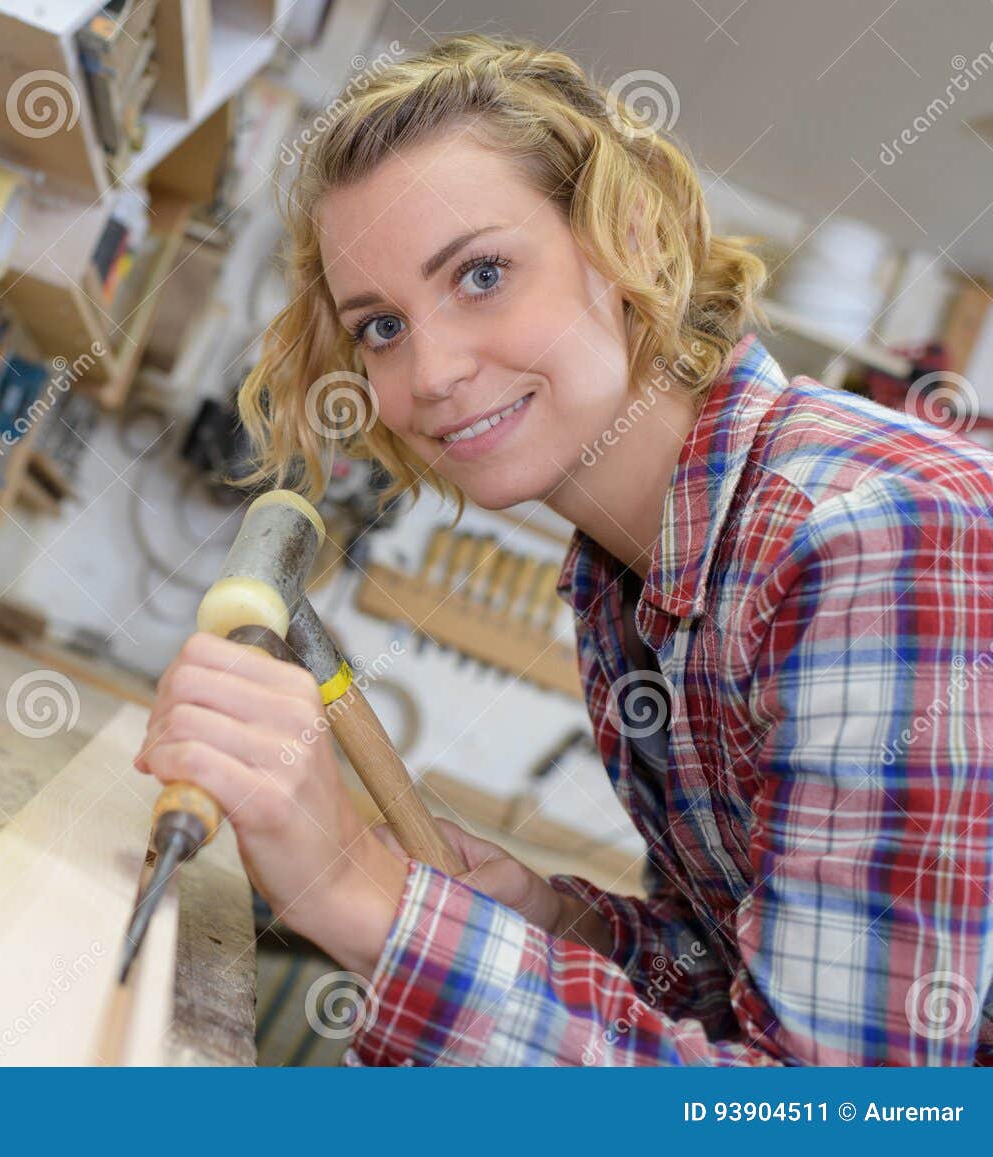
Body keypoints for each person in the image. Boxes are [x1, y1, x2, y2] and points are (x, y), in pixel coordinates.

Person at [132, 33, 993, 1065]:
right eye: (378, 326)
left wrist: (358, 891)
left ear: (624, 240)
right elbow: (731, 981)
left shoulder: (866, 537)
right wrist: (550, 918)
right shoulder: (623, 576)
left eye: (482, 273)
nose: (433, 370)